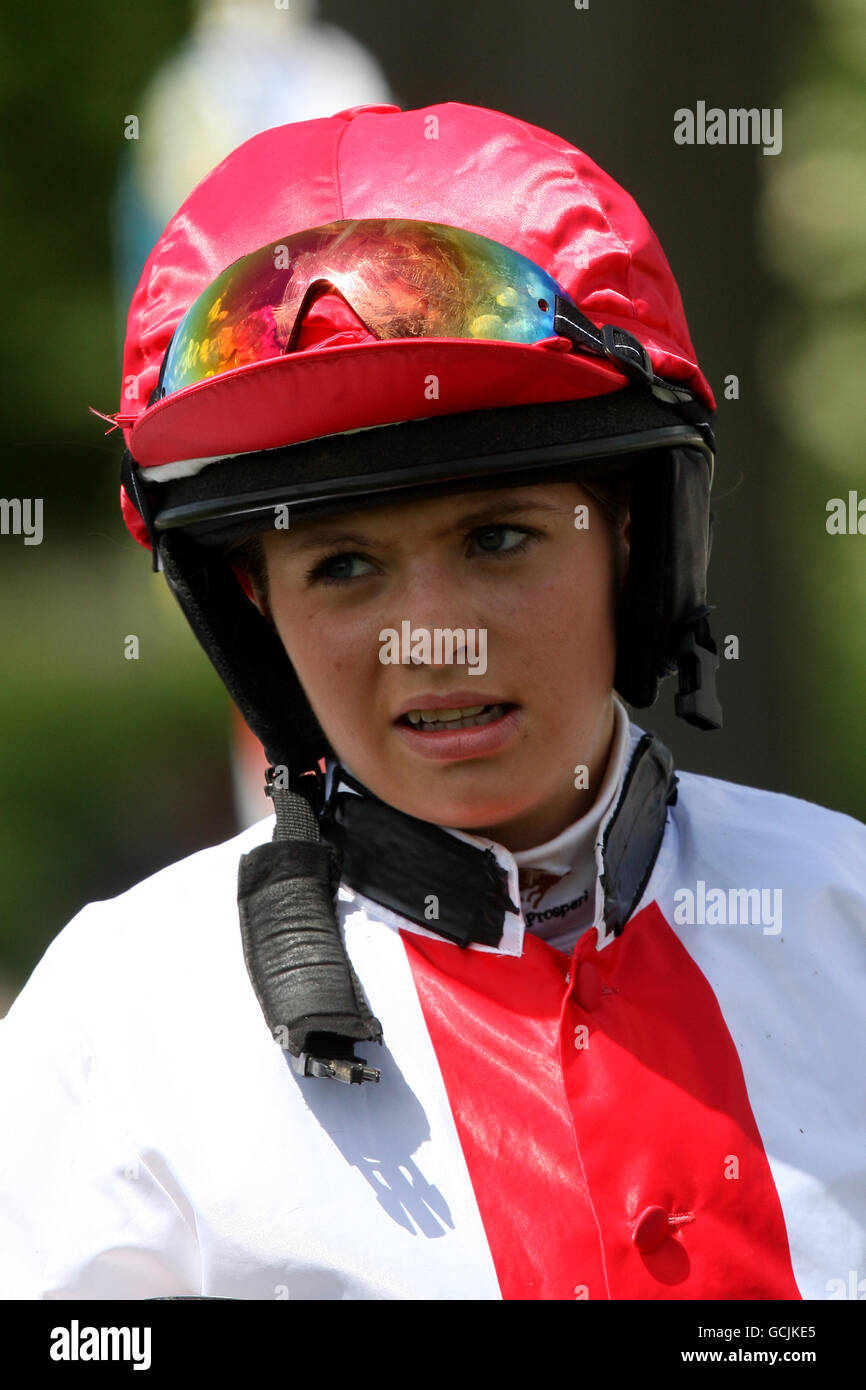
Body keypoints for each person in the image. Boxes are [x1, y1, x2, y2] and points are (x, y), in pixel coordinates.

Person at [1, 101, 864, 1302]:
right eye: (342, 566)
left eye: (498, 537)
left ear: (635, 539)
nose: (430, 631)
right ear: (254, 610)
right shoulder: (113, 1031)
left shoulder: (847, 919)